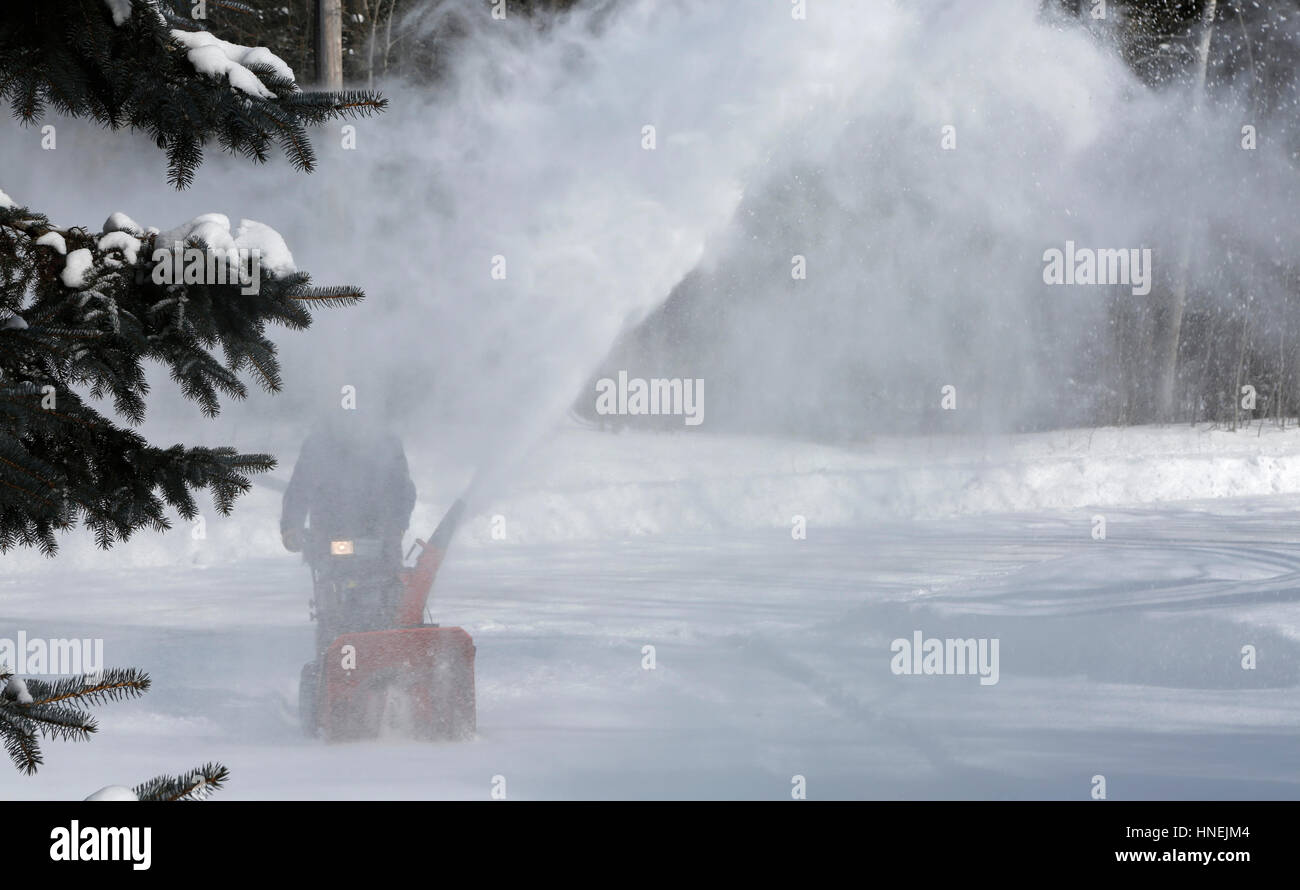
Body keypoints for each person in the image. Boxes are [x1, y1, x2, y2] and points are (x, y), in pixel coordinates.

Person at [280, 411, 417, 571]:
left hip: (379, 532)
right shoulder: (317, 444)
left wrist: (397, 527)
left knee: (390, 577)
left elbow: (403, 489)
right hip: (330, 531)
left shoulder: (388, 443)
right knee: (328, 574)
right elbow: (299, 487)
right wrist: (291, 528)